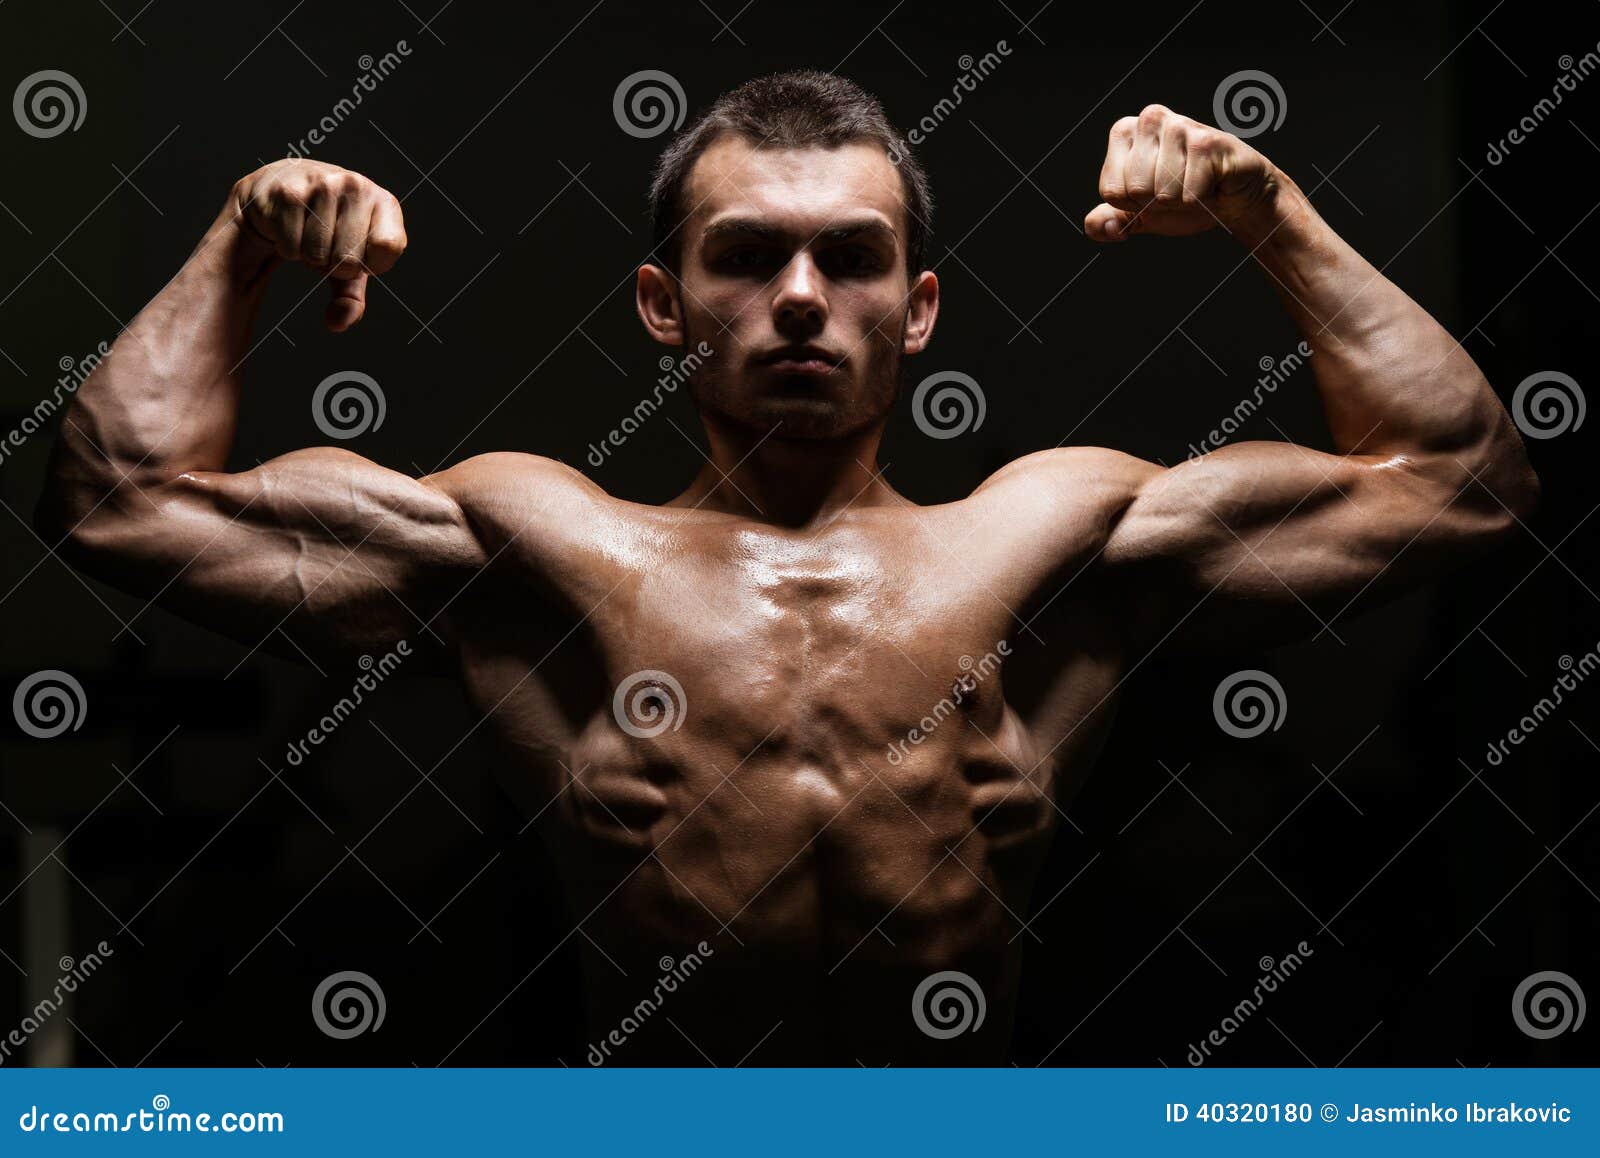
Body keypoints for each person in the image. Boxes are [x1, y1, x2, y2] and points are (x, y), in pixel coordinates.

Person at [36, 71, 1537, 1064]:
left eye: (855, 258)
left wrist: (1265, 213)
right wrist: (243, 238)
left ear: (922, 306)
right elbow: (117, 497)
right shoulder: (534, 547)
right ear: (662, 303)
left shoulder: (1056, 537)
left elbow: (1463, 480)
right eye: (748, 254)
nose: (804, 298)